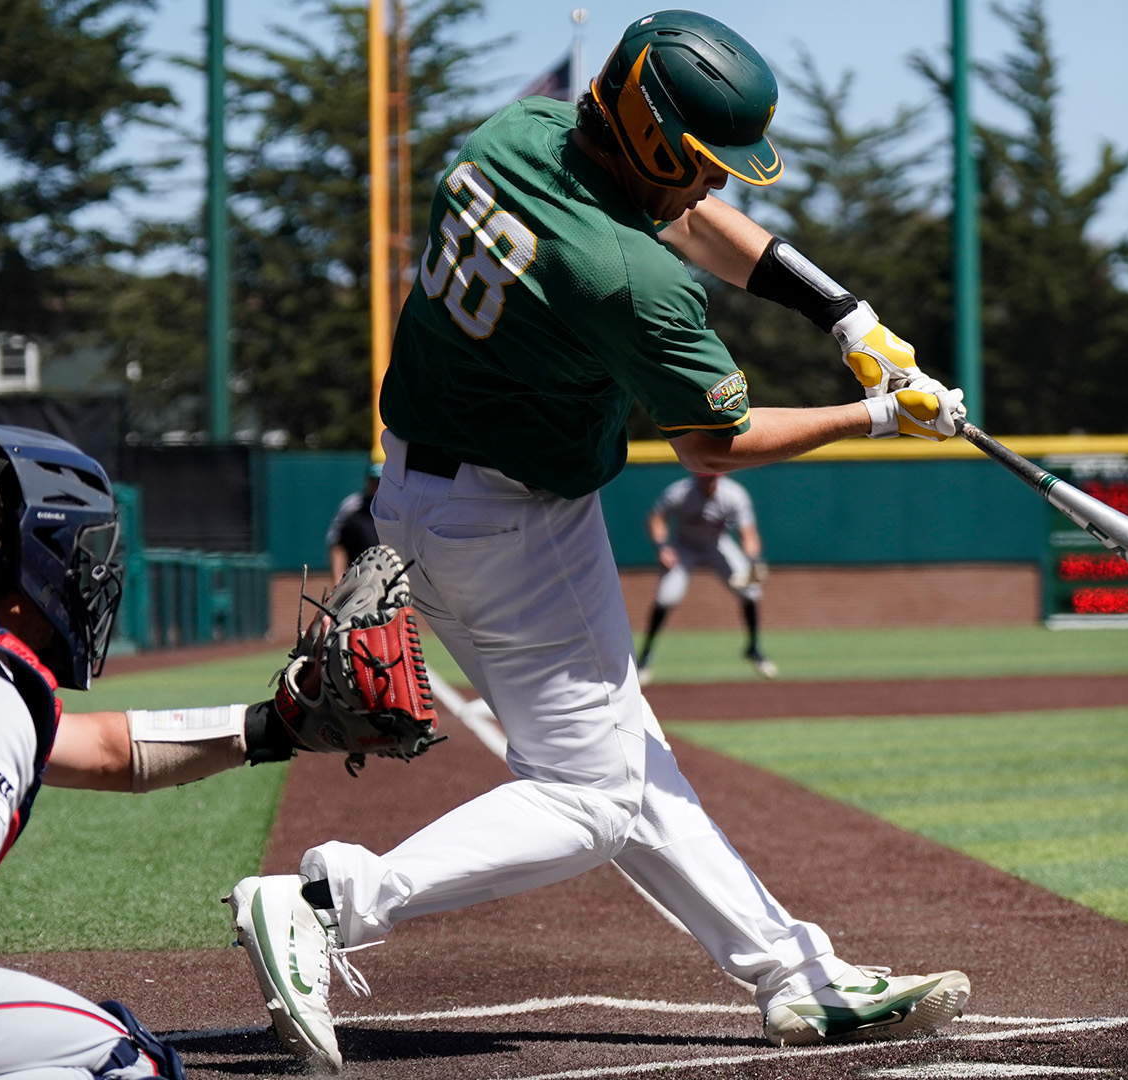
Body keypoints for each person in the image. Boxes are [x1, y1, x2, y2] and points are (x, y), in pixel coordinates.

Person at [225, 10, 971, 1072]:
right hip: (506, 525)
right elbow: (718, 442)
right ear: (657, 143)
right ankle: (328, 903)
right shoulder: (630, 278)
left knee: (625, 752)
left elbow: (680, 220)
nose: (714, 189)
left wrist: (839, 313)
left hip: (427, 490)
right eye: (702, 165)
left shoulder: (517, 132)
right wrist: (880, 419)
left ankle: (791, 973)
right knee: (593, 795)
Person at [0, 422, 335, 1079]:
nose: (86, 573)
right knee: (126, 1064)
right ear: (29, 558)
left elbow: (101, 750)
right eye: (74, 548)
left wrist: (280, 726)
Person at [637, 470, 774, 684]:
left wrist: (753, 560)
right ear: (697, 476)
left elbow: (748, 532)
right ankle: (645, 655)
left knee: (750, 591)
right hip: (685, 547)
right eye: (704, 476)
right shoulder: (680, 491)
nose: (708, 480)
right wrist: (662, 547)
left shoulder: (734, 494)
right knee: (666, 597)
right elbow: (657, 517)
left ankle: (754, 648)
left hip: (716, 544)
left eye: (712, 476)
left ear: (720, 476)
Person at [326, 461, 382, 583]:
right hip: (359, 576)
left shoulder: (397, 508)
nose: (377, 487)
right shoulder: (353, 506)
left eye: (380, 482)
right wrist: (338, 581)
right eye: (374, 482)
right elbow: (337, 544)